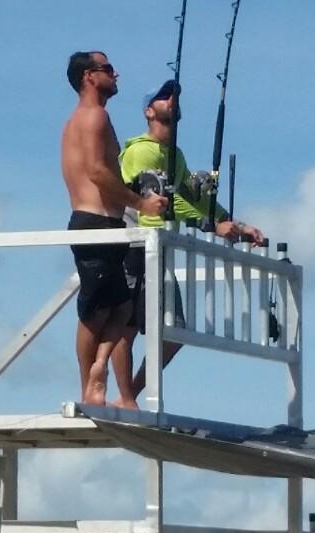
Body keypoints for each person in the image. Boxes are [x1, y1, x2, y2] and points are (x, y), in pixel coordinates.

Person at [114, 80, 266, 400]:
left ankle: (131, 394)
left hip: (160, 248)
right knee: (125, 329)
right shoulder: (141, 150)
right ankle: (127, 399)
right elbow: (162, 202)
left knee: (175, 330)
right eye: (164, 96)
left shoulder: (175, 155)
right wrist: (210, 224)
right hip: (132, 244)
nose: (172, 100)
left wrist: (232, 223)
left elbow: (191, 199)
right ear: (148, 110)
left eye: (176, 97)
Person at [61, 50, 168, 406]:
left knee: (122, 309)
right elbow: (97, 171)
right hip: (93, 222)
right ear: (89, 76)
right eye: (107, 69)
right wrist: (140, 204)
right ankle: (87, 385)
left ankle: (99, 367)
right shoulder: (93, 117)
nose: (116, 74)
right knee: (94, 312)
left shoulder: (91, 118)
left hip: (107, 225)